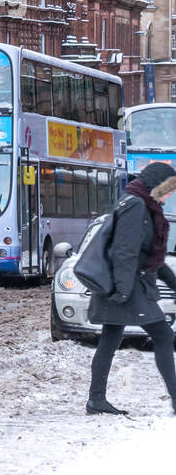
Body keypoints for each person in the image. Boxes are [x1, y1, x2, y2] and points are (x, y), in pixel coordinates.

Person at [83, 161, 176, 416]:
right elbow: (125, 251)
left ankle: (96, 400)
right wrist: (123, 292)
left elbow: (150, 256)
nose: (169, 195)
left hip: (125, 284)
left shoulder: (140, 203)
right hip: (127, 287)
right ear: (156, 185)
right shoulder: (136, 205)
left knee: (110, 339)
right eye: (168, 189)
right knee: (164, 336)